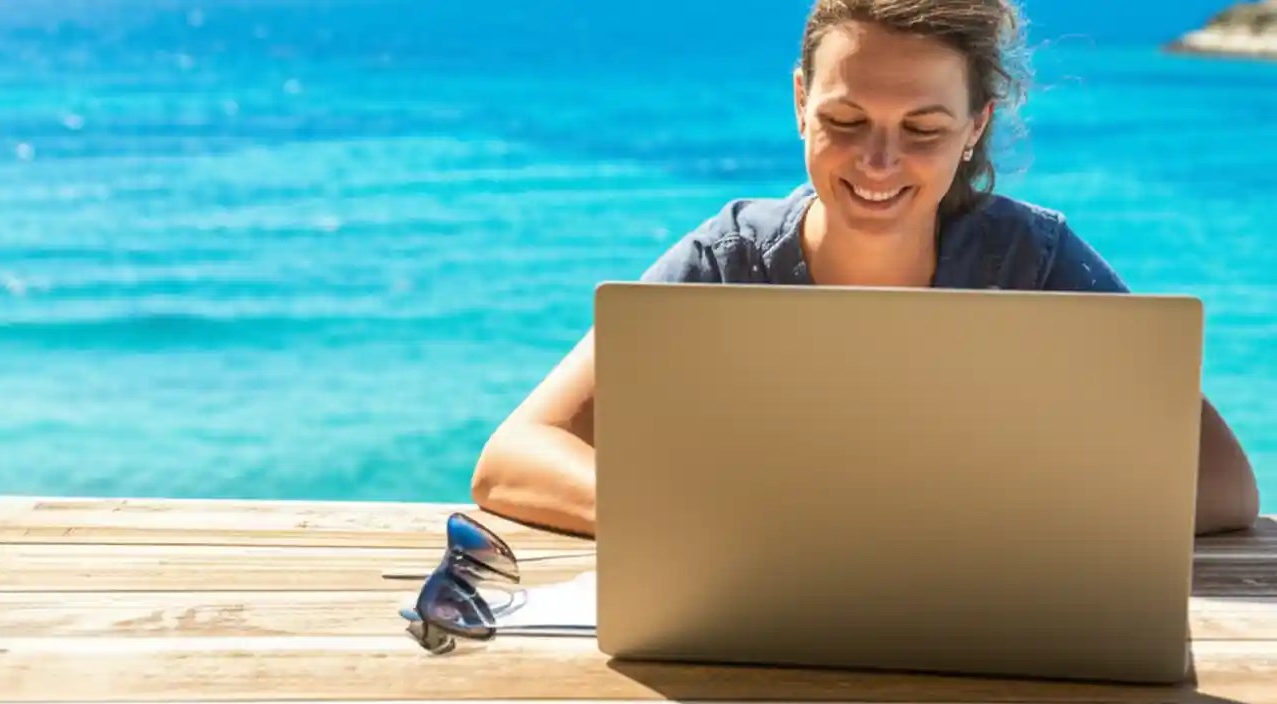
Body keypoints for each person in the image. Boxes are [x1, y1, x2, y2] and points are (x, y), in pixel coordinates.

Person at [469, 0, 1260, 538]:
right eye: (845, 120)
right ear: (800, 103)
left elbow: (1223, 483)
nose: (878, 162)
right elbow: (513, 459)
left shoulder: (1032, 260)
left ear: (976, 126)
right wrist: (703, 524)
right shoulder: (728, 260)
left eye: (923, 129)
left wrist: (985, 527)